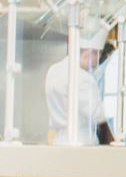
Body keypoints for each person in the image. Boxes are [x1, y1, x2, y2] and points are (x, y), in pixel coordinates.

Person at [45, 15, 110, 145]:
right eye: (97, 55)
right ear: (88, 52)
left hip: (59, 140)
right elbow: (97, 114)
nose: (96, 64)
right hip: (81, 142)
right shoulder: (82, 78)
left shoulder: (54, 70)